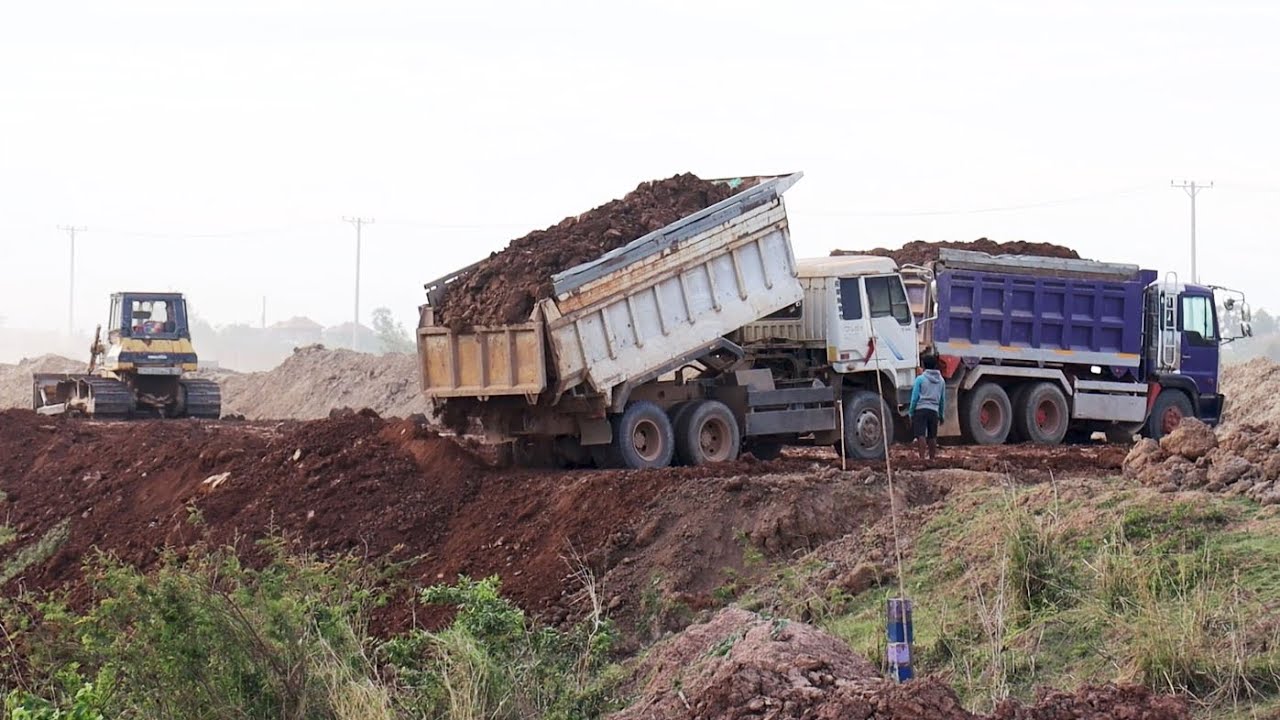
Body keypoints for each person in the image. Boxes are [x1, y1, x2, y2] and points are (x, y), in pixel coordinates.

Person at [908, 353, 946, 460]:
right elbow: (942, 400)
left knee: (921, 435)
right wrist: (941, 415)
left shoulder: (920, 379)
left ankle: (922, 458)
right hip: (934, 411)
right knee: (932, 436)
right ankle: (932, 458)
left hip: (920, 410)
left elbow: (914, 398)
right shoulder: (941, 381)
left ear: (924, 366)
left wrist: (911, 412)